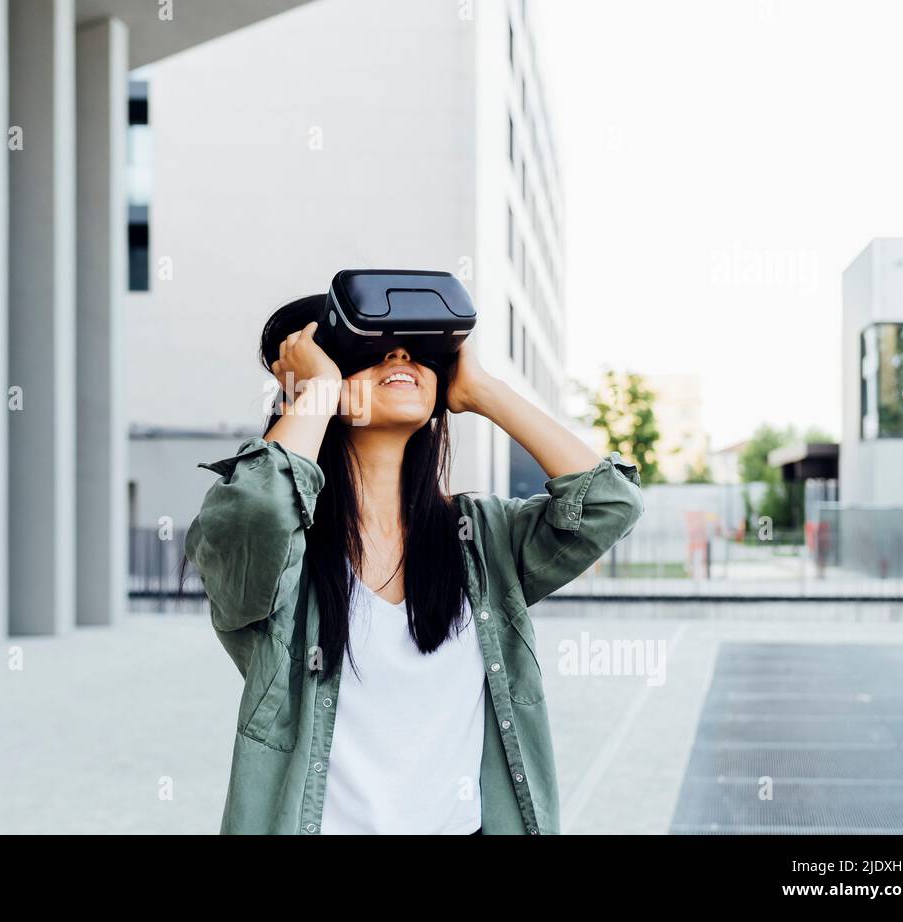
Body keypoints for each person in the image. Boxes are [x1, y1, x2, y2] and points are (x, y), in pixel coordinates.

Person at [185, 295, 644, 834]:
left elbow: (610, 503)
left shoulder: (481, 536)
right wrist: (316, 395)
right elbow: (257, 507)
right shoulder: (286, 551)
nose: (400, 354)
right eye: (372, 347)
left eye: (420, 350)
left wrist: (484, 392)